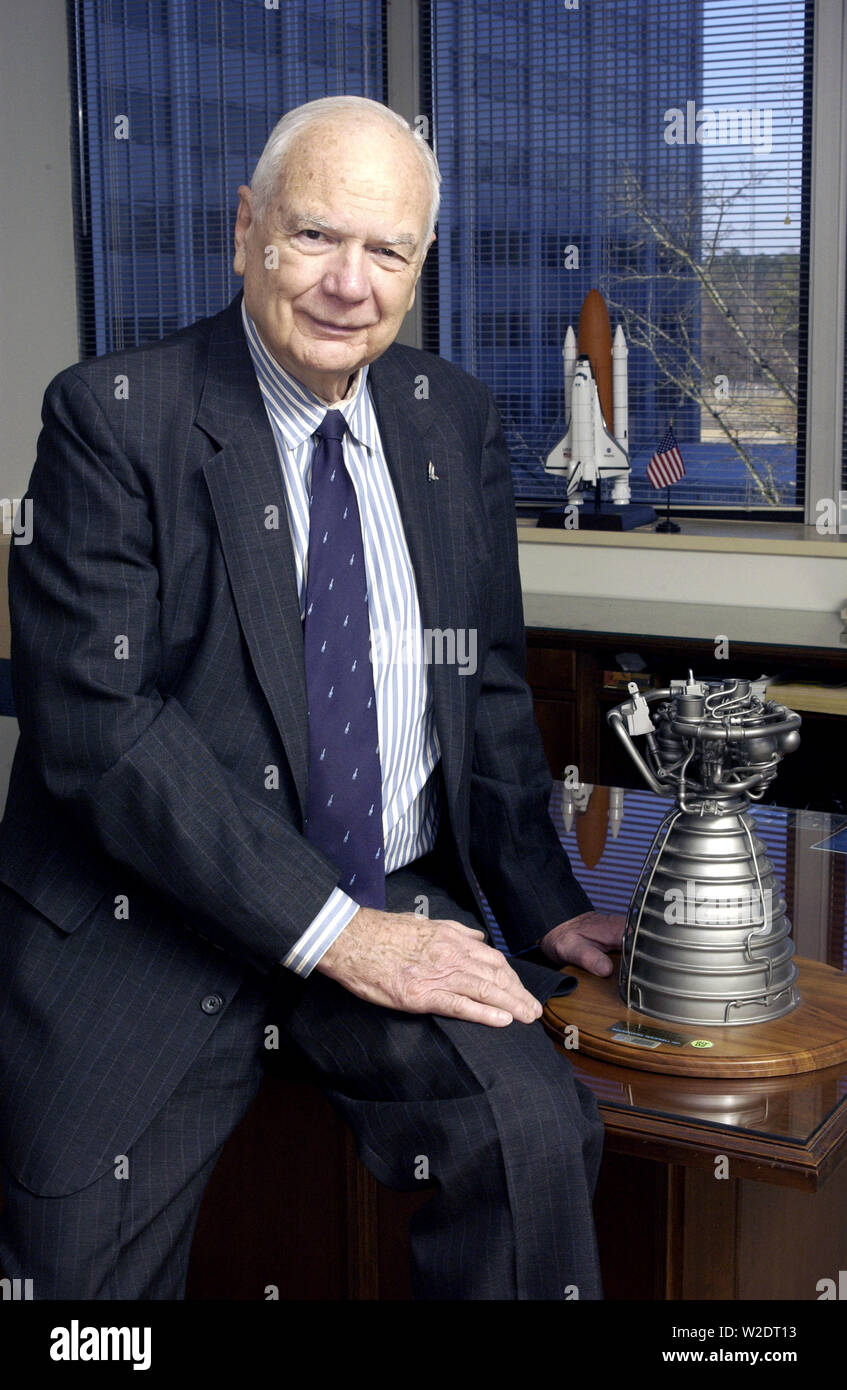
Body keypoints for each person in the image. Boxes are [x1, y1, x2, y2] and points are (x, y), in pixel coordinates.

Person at [0, 95, 623, 1301]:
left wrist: (543, 904)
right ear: (245, 233)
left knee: (536, 1137)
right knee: (73, 1285)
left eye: (386, 250)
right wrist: (343, 934)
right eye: (314, 236)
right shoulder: (112, 420)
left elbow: (484, 684)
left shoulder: (453, 417)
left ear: (420, 266)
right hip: (145, 910)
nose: (350, 282)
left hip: (386, 888)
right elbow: (102, 733)